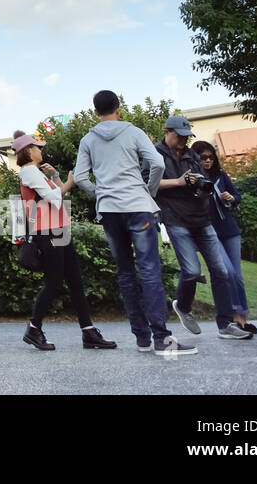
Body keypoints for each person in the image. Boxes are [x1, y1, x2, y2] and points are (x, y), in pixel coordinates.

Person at [74, 91, 194, 356]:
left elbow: (81, 177)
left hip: (109, 211)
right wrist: (148, 191)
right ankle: (161, 339)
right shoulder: (134, 132)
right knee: (150, 271)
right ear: (119, 108)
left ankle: (141, 338)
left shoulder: (88, 139)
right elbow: (157, 163)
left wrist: (100, 193)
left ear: (96, 112)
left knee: (126, 274)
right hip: (138, 208)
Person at [13, 133, 116, 351]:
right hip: (47, 230)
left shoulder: (37, 173)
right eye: (38, 147)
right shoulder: (29, 172)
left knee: (75, 281)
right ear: (29, 151)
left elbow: (58, 198)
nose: (41, 150)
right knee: (55, 282)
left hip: (57, 228)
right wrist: (69, 181)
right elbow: (54, 197)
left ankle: (88, 332)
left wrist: (57, 177)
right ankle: (33, 328)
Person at [156, 118, 251, 340]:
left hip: (201, 218)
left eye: (186, 136)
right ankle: (184, 306)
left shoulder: (192, 156)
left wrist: (203, 190)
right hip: (175, 219)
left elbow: (202, 185)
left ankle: (226, 324)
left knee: (222, 271)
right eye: (178, 135)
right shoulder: (155, 154)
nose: (182, 140)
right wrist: (178, 182)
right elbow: (147, 183)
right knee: (191, 271)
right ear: (167, 132)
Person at [193, 141, 257, 334]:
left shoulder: (221, 176)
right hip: (208, 230)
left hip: (229, 229)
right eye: (203, 157)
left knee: (237, 276)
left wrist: (231, 198)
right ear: (196, 158)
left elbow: (238, 196)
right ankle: (231, 317)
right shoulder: (192, 178)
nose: (208, 161)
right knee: (226, 272)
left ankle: (242, 319)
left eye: (211, 157)